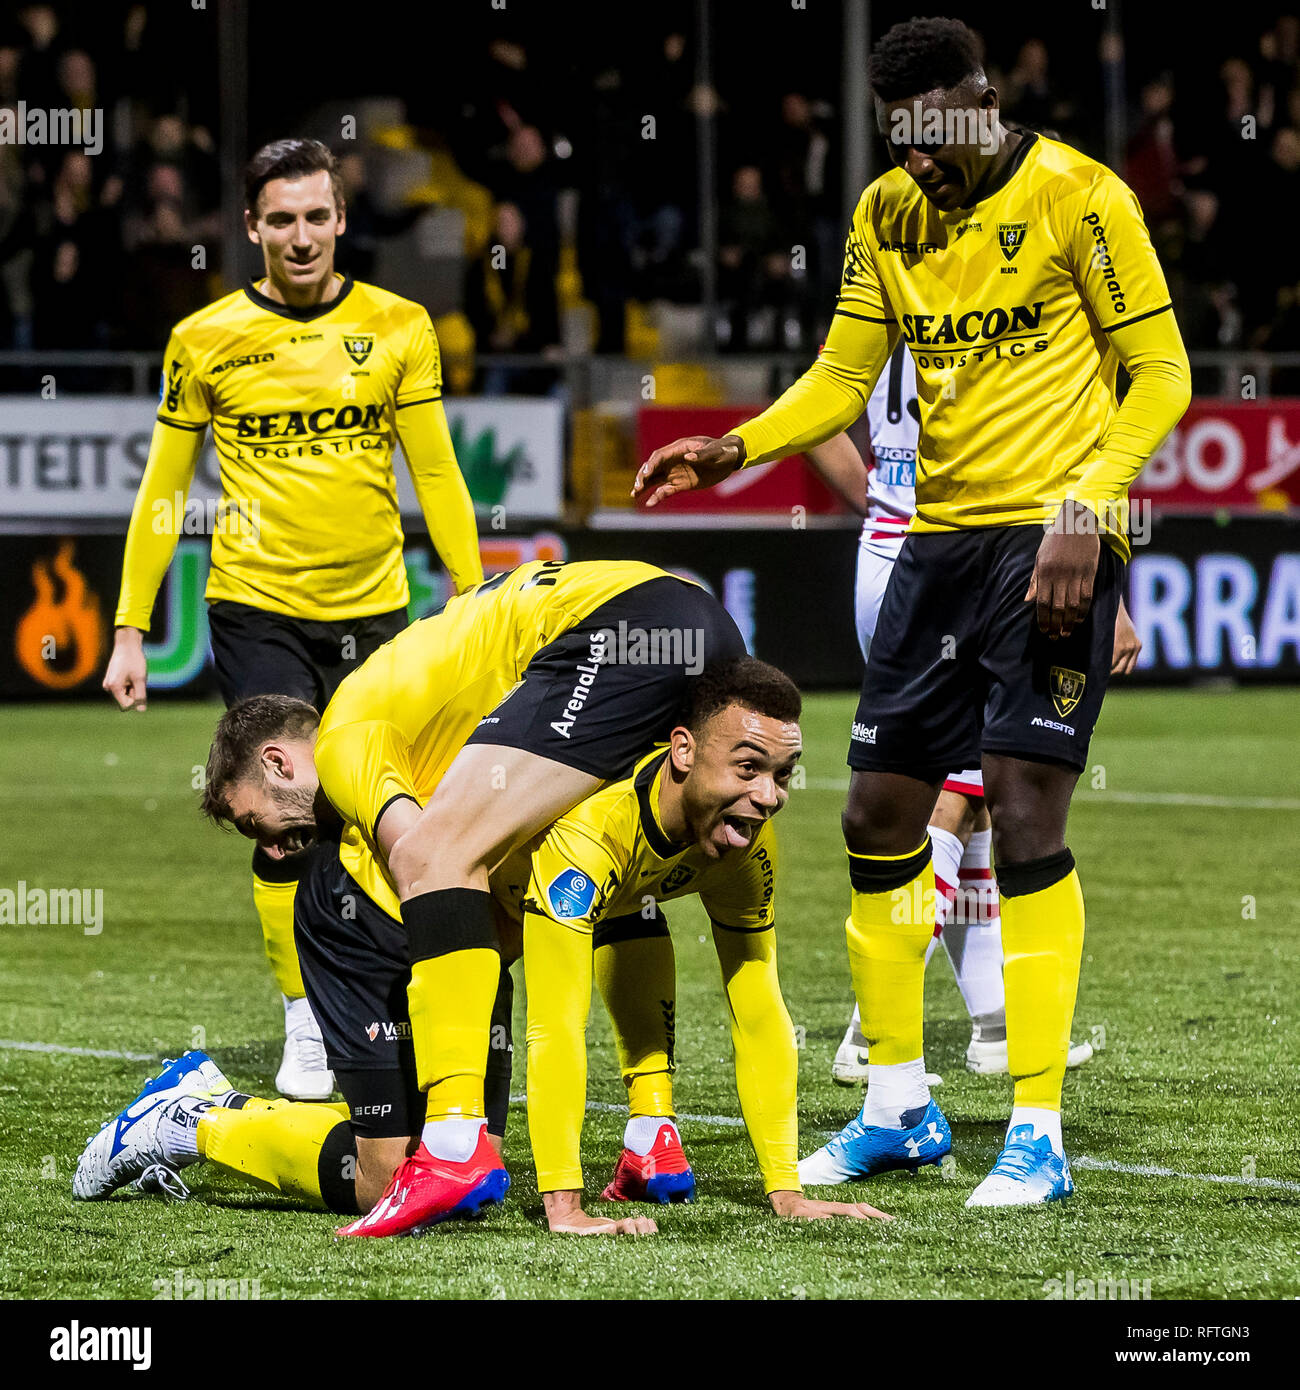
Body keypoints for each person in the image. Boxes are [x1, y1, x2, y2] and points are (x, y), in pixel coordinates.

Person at [633, 17, 1191, 1206]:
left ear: (981, 101)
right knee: (877, 812)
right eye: (899, 139)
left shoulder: (1082, 199)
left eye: (932, 138)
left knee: (1024, 808)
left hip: (1050, 540)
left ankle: (1035, 1130)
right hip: (932, 544)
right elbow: (841, 376)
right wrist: (733, 447)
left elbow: (1163, 374)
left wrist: (1089, 511)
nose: (916, 163)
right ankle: (896, 1102)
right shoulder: (887, 210)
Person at [199, 558, 748, 1235]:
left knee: (441, 854)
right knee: (621, 863)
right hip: (699, 620)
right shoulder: (442, 713)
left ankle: (449, 1146)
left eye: (259, 822)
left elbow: (424, 859)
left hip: (616, 632)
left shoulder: (345, 740)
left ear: (278, 761)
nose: (278, 848)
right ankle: (649, 1130)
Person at [102, 138, 483, 1103]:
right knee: (285, 821)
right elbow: (163, 489)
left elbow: (435, 473)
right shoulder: (205, 339)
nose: (302, 236)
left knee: (384, 809)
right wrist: (128, 626)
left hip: (376, 612)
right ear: (251, 227)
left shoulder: (400, 326)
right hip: (256, 606)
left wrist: (475, 597)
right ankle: (305, 1020)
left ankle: (389, 991)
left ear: (343, 220)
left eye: (318, 216)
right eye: (282, 219)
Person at [805, 343, 1140, 1093]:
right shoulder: (992, 311)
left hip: (896, 553)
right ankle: (871, 1030)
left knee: (977, 793)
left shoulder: (896, 300)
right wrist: (1112, 594)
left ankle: (994, 1024)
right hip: (955, 561)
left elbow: (815, 413)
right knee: (953, 799)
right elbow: (1061, 450)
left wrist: (881, 500)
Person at [490, 657, 890, 1234]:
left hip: (602, 894)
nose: (770, 796)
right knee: (417, 1155)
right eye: (748, 768)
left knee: (634, 900)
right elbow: (555, 1023)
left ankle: (654, 1132)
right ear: (683, 751)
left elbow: (759, 1006)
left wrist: (788, 1190)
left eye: (781, 774)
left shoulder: (747, 843)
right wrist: (565, 1207)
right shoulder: (592, 832)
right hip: (453, 920)